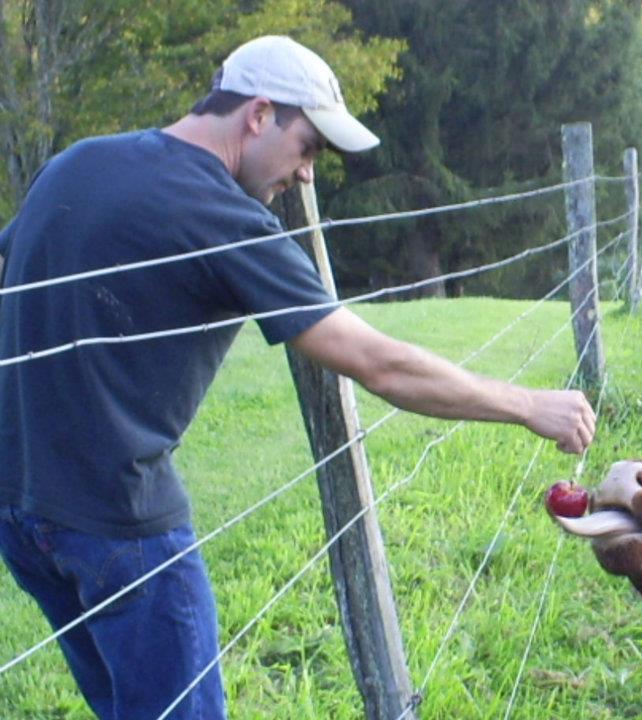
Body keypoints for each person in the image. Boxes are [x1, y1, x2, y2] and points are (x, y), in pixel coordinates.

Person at [0, 35, 595, 719]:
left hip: (22, 517)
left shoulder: (76, 164)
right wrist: (527, 405)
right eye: (308, 146)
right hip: (121, 529)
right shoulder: (225, 218)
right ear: (258, 115)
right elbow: (378, 363)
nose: (309, 174)